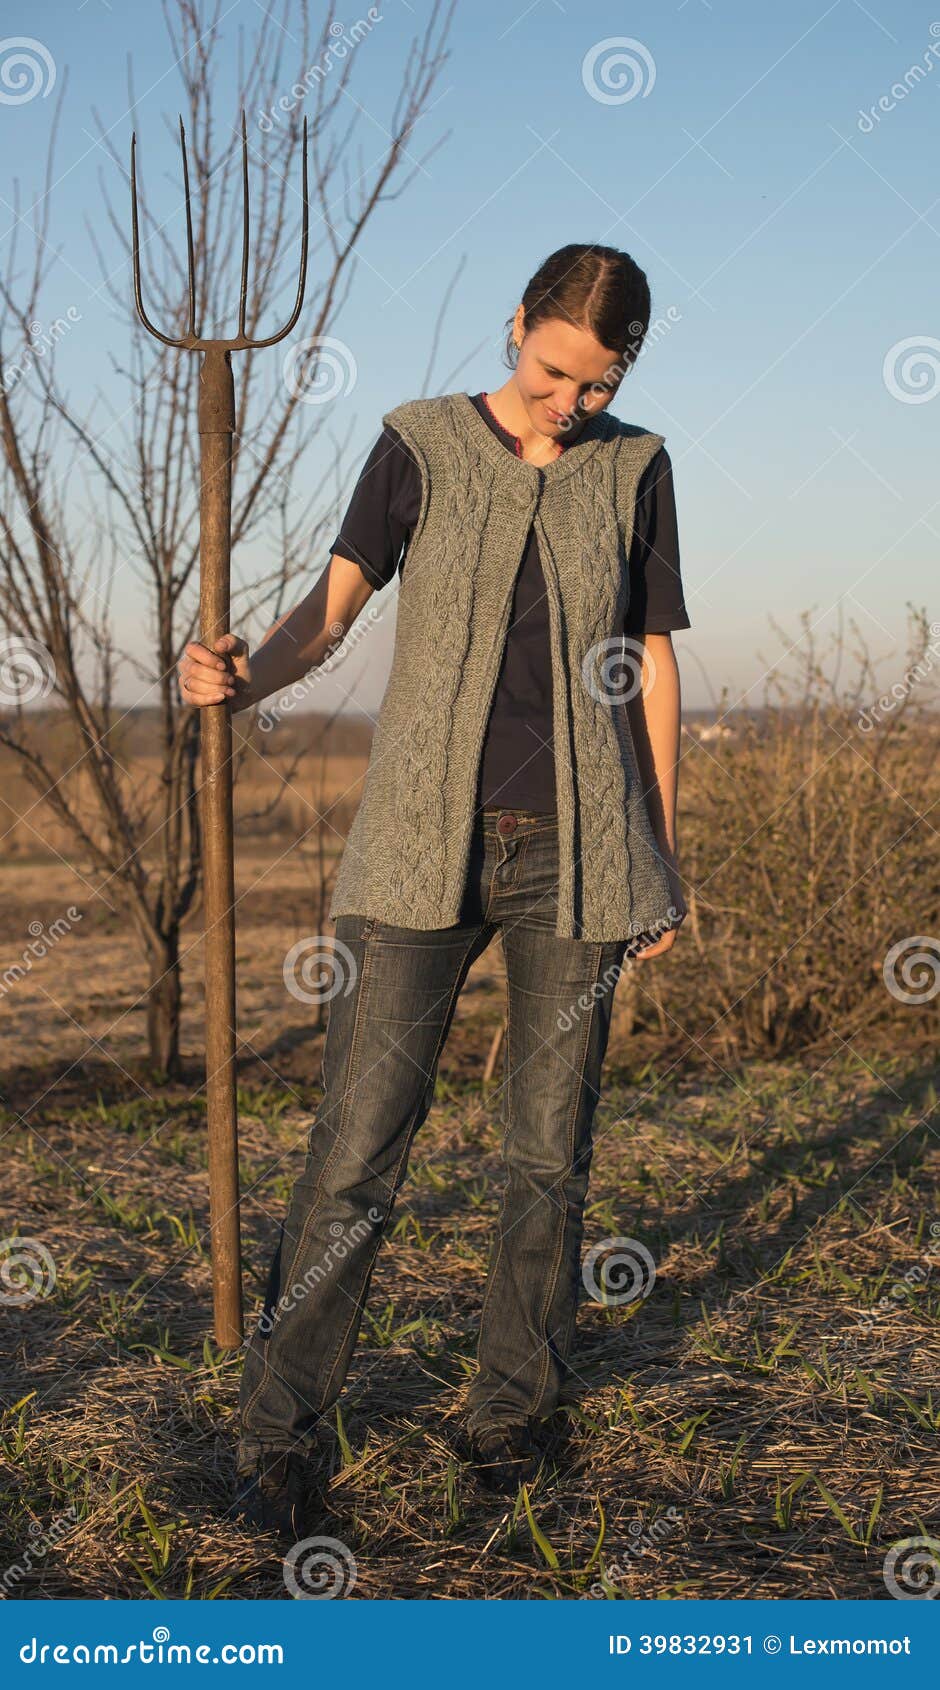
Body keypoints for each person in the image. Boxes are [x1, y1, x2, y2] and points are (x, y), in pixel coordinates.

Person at [178, 243, 691, 1542]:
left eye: (593, 383)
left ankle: (512, 1416)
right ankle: (279, 1434)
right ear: (513, 326)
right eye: (548, 369)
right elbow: (330, 611)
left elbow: (652, 658)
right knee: (354, 1151)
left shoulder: (637, 469)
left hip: (579, 857)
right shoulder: (417, 445)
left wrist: (663, 852)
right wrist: (245, 676)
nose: (565, 402)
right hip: (417, 852)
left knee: (545, 1154)